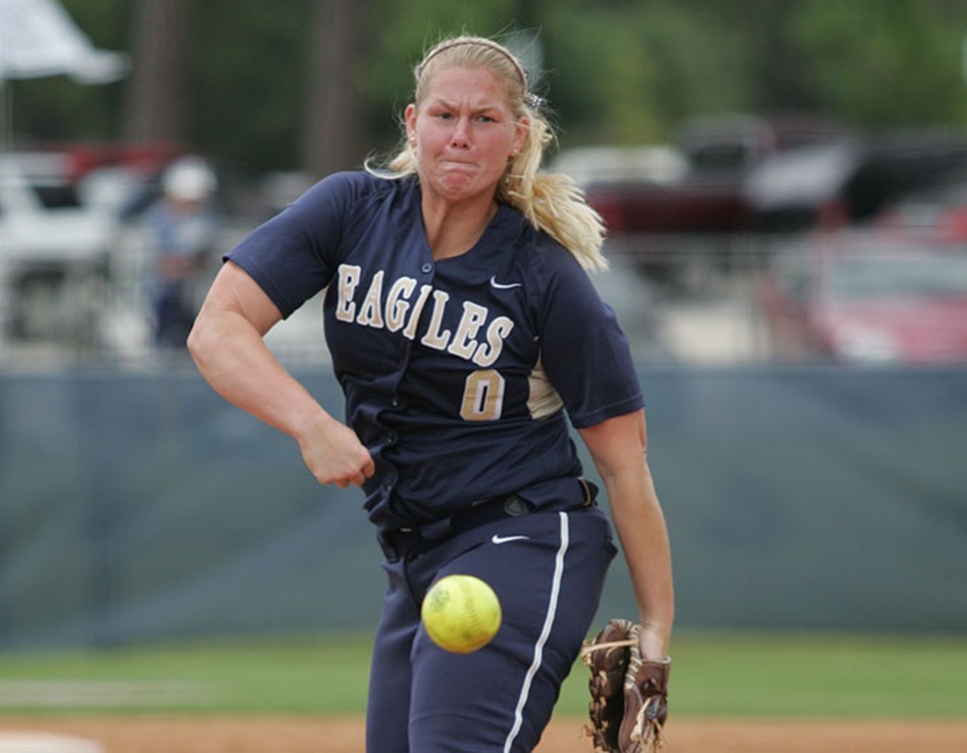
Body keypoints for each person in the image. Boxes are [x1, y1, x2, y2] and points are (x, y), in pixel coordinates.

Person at [188, 34, 674, 753]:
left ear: (518, 137)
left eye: (484, 119)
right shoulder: (352, 211)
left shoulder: (543, 276)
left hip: (528, 541)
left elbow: (625, 462)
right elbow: (217, 328)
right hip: (416, 561)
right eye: (445, 115)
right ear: (412, 124)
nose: (461, 136)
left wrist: (657, 631)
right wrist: (309, 423)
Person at [143, 155, 220, 348]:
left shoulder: (205, 220)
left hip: (196, 297)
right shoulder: (158, 219)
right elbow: (161, 261)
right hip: (165, 297)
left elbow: (203, 256)